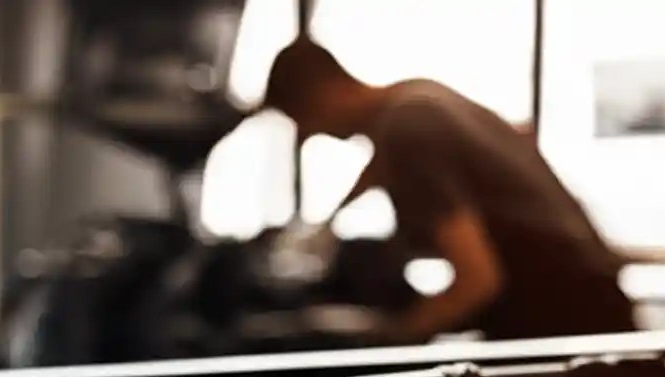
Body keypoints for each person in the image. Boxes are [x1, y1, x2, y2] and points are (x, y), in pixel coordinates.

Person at [260, 37, 637, 344]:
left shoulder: (407, 128)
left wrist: (387, 341)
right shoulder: (419, 98)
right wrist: (327, 221)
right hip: (591, 304)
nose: (310, 134)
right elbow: (382, 167)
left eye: (302, 119)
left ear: (322, 93)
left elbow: (477, 281)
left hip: (565, 325)